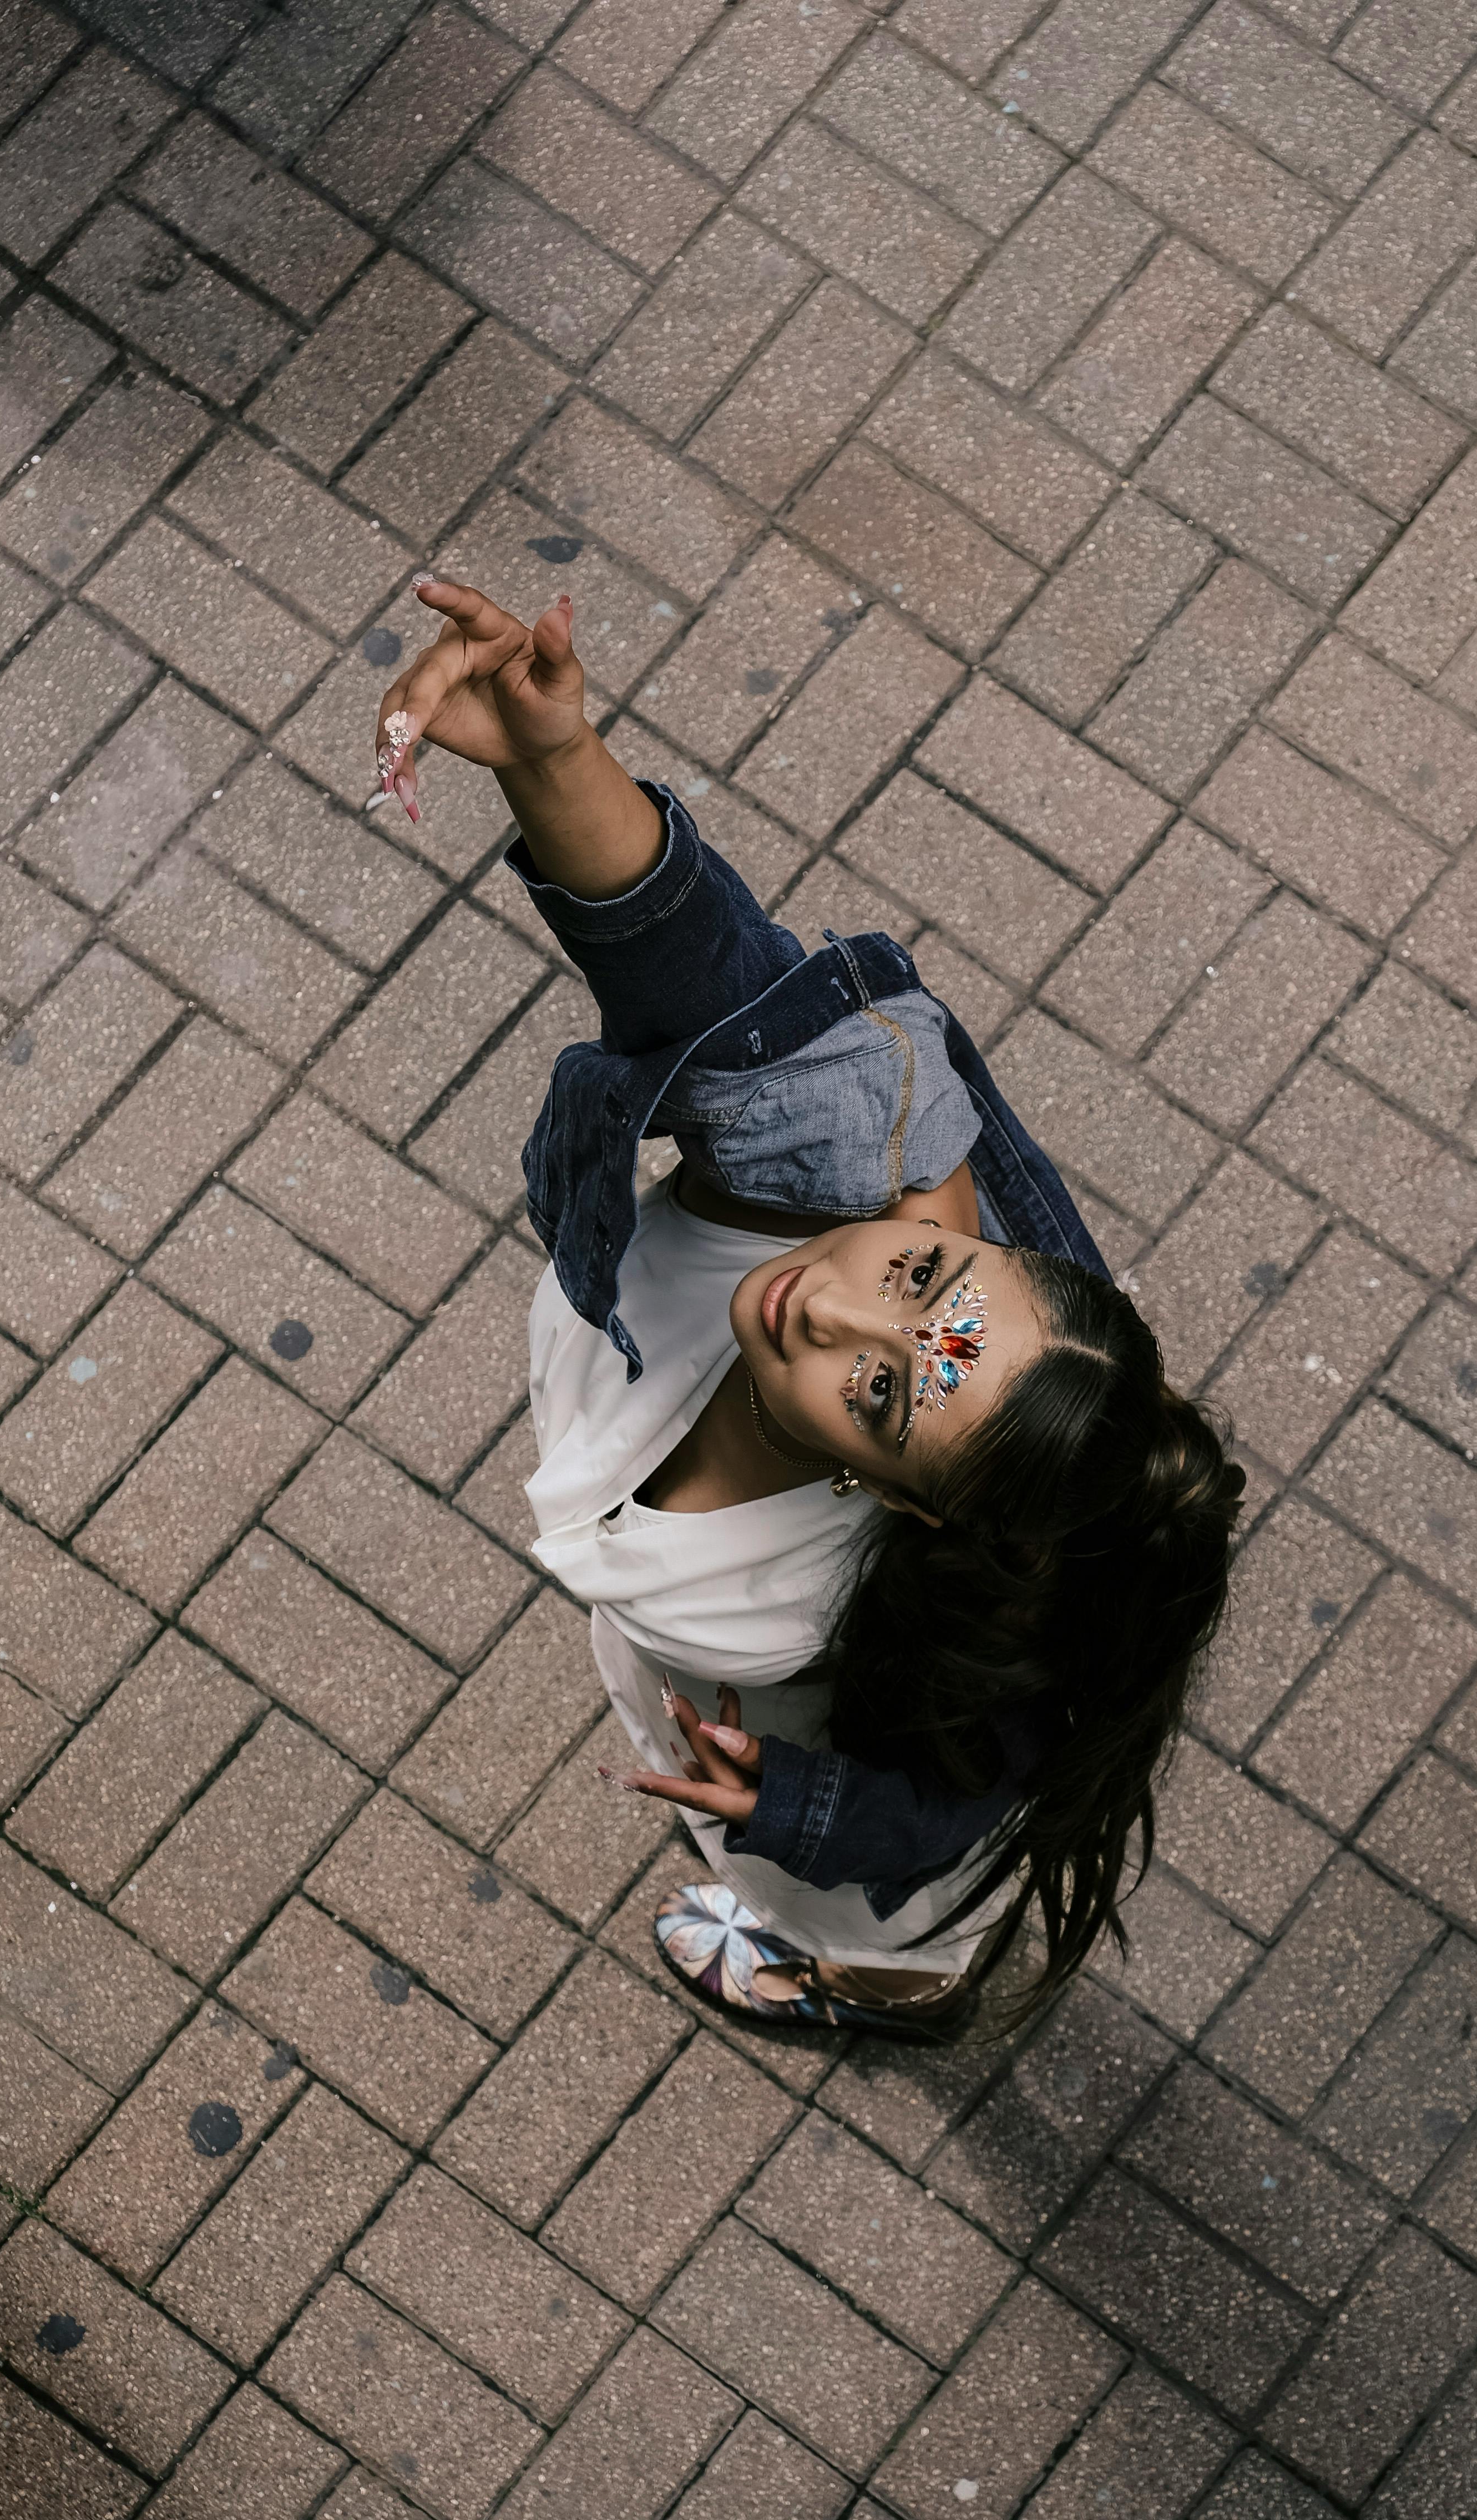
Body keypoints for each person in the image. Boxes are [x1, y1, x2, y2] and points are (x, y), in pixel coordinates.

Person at [375, 571, 1243, 2041]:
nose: (819, 1313)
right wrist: (548, 757)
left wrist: (804, 1802)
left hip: (815, 1791)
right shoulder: (864, 1176)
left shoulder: (974, 1621)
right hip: (719, 1696)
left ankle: (888, 1988)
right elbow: (702, 974)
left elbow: (969, 1785)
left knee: (850, 1903)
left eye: (885, 1395)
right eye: (916, 1277)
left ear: (895, 1501)